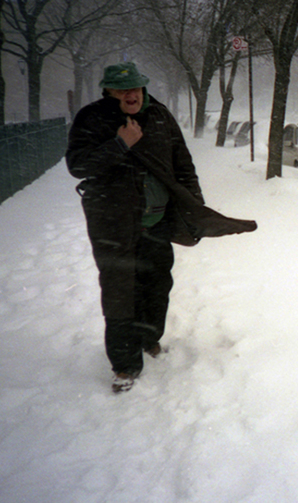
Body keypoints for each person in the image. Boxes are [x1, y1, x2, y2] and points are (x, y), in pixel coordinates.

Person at [66, 62, 256, 393]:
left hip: (157, 221)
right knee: (119, 289)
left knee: (157, 284)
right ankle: (124, 365)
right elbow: (78, 165)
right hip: (113, 223)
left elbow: (182, 163)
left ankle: (148, 337)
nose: (131, 95)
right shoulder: (92, 118)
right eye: (123, 90)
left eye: (136, 88)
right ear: (108, 92)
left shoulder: (160, 115)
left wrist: (192, 203)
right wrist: (120, 144)